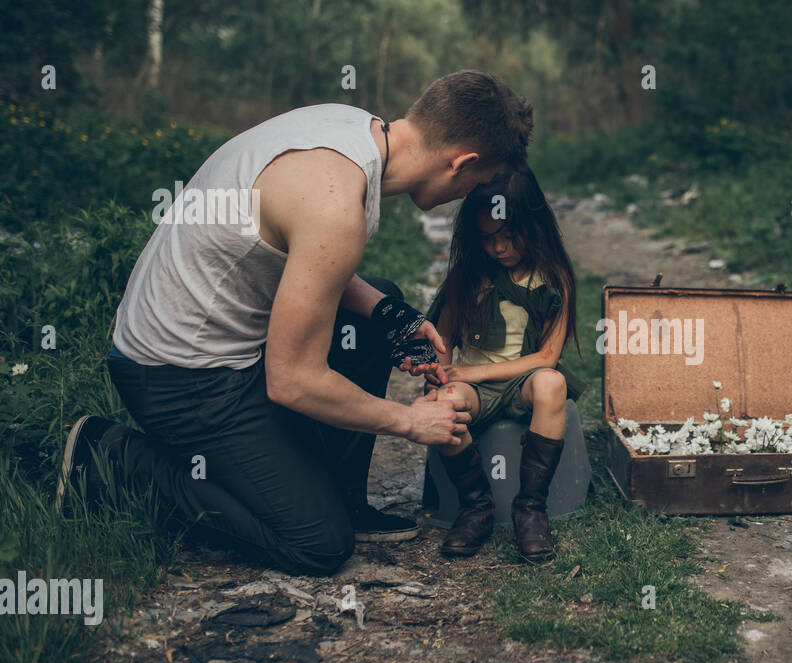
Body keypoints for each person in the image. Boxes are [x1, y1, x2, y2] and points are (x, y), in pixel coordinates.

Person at [55, 71, 533, 576]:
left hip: (212, 346)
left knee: (383, 302)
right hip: (180, 378)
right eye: (474, 185)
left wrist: (386, 313)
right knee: (318, 544)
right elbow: (291, 381)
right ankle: (107, 456)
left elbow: (306, 255)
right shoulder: (335, 205)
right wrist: (410, 422)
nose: (465, 195)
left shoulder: (349, 129)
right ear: (463, 162)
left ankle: (339, 496)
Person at [426, 169, 583, 563]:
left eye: (508, 236)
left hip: (522, 381)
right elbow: (440, 340)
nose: (498, 248)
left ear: (533, 227)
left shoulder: (552, 278)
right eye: (487, 239)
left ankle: (530, 509)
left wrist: (473, 372)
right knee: (443, 402)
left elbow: (547, 357)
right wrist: (440, 376)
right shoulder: (468, 277)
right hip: (475, 391)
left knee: (552, 383)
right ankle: (475, 507)